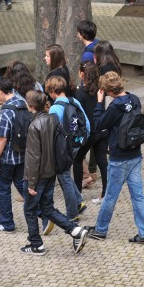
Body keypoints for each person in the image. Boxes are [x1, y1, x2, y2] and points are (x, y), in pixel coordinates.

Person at [87, 71, 144, 244]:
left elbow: (99, 124)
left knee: (110, 196)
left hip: (119, 158)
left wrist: (99, 103)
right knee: (138, 196)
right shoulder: (134, 99)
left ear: (108, 91)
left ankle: (100, 230)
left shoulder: (115, 106)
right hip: (135, 154)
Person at [21, 90, 90, 255]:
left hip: (38, 175)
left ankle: (36, 245)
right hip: (52, 171)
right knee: (47, 207)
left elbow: (33, 157)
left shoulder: (34, 126)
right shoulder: (53, 119)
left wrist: (31, 183)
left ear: (30, 106)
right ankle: (75, 231)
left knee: (30, 209)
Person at [46, 76, 88, 222]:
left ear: (52, 91)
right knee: (66, 174)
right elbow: (86, 123)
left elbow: (52, 132)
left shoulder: (54, 108)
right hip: (76, 143)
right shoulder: (74, 101)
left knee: (63, 176)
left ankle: (72, 213)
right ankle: (79, 202)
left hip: (63, 147)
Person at [0, 77, 28, 231]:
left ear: (0, 91)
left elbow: (2, 138)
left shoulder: (6, 111)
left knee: (4, 189)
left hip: (7, 157)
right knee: (22, 186)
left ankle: (6, 223)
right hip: (22, 154)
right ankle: (43, 213)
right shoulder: (22, 104)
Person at [72, 61, 108, 203]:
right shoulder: (101, 90)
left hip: (88, 133)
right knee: (102, 162)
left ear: (82, 74)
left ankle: (77, 193)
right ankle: (105, 193)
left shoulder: (79, 92)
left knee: (77, 159)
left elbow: (78, 113)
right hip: (101, 130)